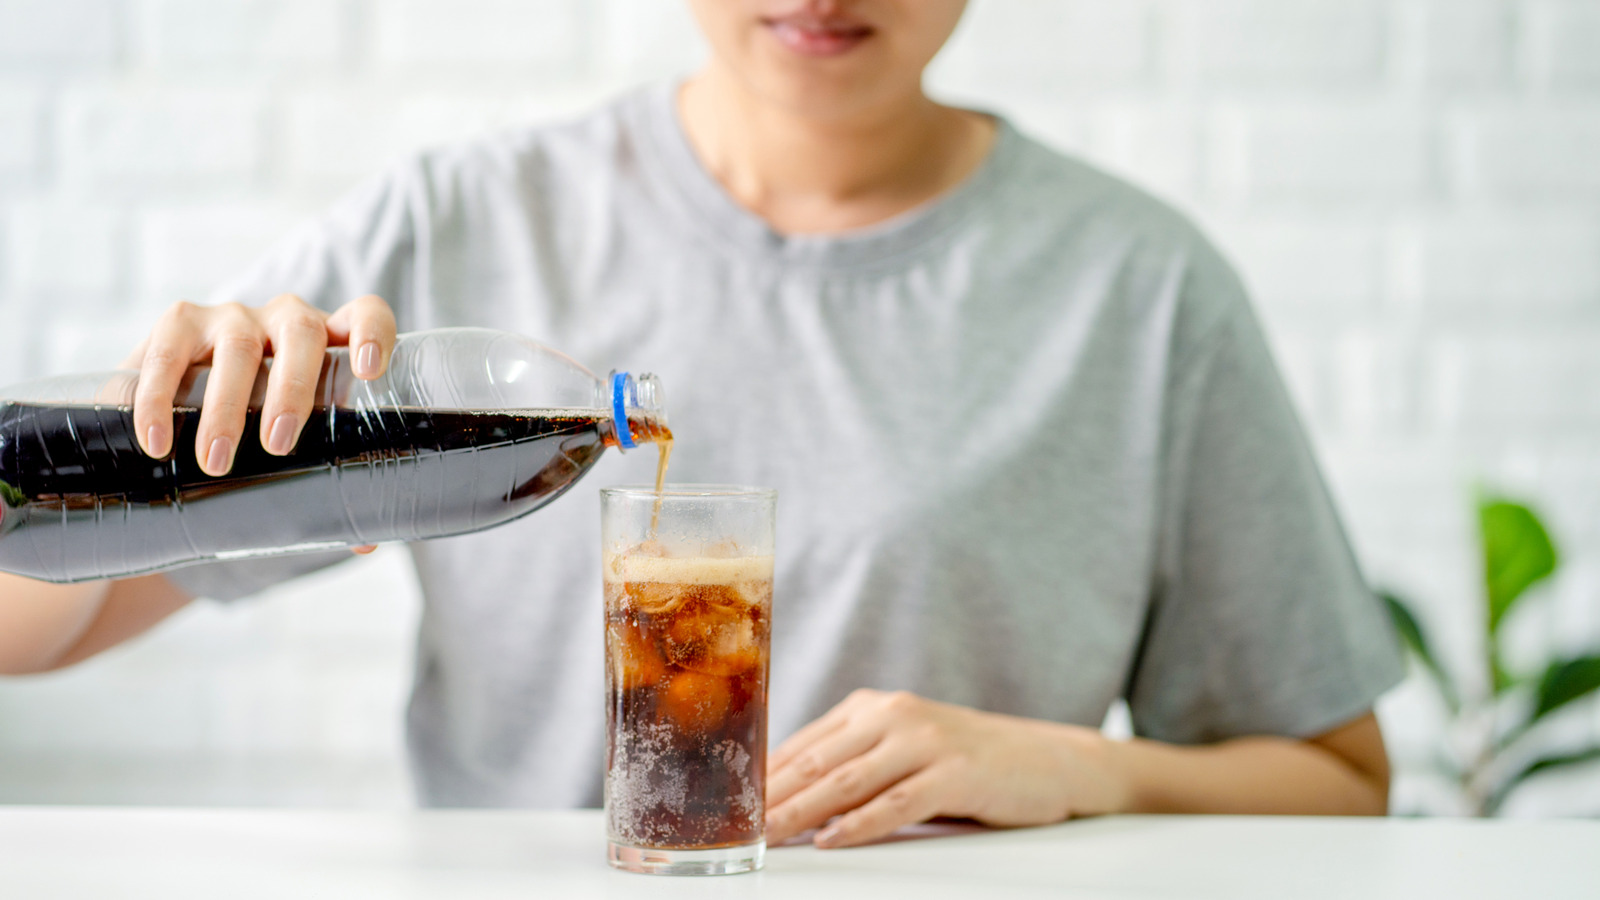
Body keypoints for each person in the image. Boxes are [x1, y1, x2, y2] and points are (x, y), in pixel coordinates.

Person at [0, 0, 1402, 848]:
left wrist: (1076, 768)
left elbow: (1340, 785)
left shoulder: (1142, 291)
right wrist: (139, 466)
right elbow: (26, 628)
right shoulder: (459, 230)